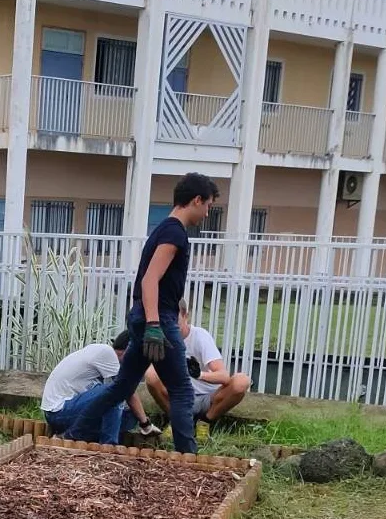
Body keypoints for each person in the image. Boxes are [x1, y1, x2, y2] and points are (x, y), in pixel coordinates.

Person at [64, 172, 219, 453]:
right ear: (196, 200)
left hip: (143, 317)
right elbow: (149, 280)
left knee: (121, 388)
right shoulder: (174, 232)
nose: (208, 213)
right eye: (208, 205)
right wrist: (154, 325)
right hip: (157, 318)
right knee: (182, 391)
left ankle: (72, 436)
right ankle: (187, 459)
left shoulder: (164, 229)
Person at [146, 301, 251, 427]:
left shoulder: (200, 336)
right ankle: (176, 421)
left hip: (209, 398)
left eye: (175, 319)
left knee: (242, 381)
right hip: (179, 398)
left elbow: (224, 376)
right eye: (167, 320)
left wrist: (199, 374)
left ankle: (205, 422)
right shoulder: (161, 339)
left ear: (186, 316)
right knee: (151, 375)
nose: (171, 325)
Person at [41, 332, 160, 444]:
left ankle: (68, 436)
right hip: (59, 412)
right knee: (116, 392)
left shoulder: (104, 356)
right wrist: (146, 424)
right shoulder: (106, 352)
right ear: (129, 350)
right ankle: (108, 445)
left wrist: (142, 420)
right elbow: (125, 390)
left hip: (74, 412)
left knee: (130, 417)